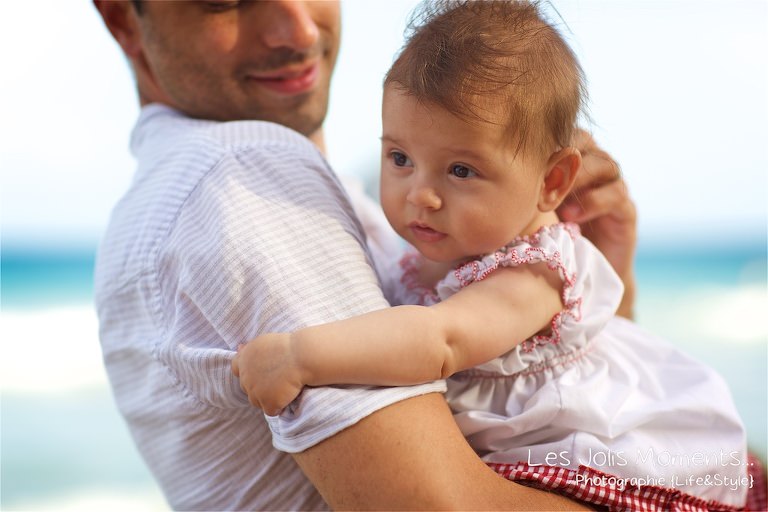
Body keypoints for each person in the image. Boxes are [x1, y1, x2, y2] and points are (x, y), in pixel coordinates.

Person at [93, 0, 637, 510]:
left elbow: (575, 396)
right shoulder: (242, 170)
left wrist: (609, 280)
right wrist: (299, 355)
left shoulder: (379, 213)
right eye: (227, 0)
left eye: (461, 169)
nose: (298, 30)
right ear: (121, 18)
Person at [232, 2, 759, 510]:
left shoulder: (536, 271)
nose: (421, 195)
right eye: (400, 157)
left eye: (461, 171)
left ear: (552, 181)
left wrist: (299, 355)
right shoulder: (447, 244)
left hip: (585, 455)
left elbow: (441, 340)